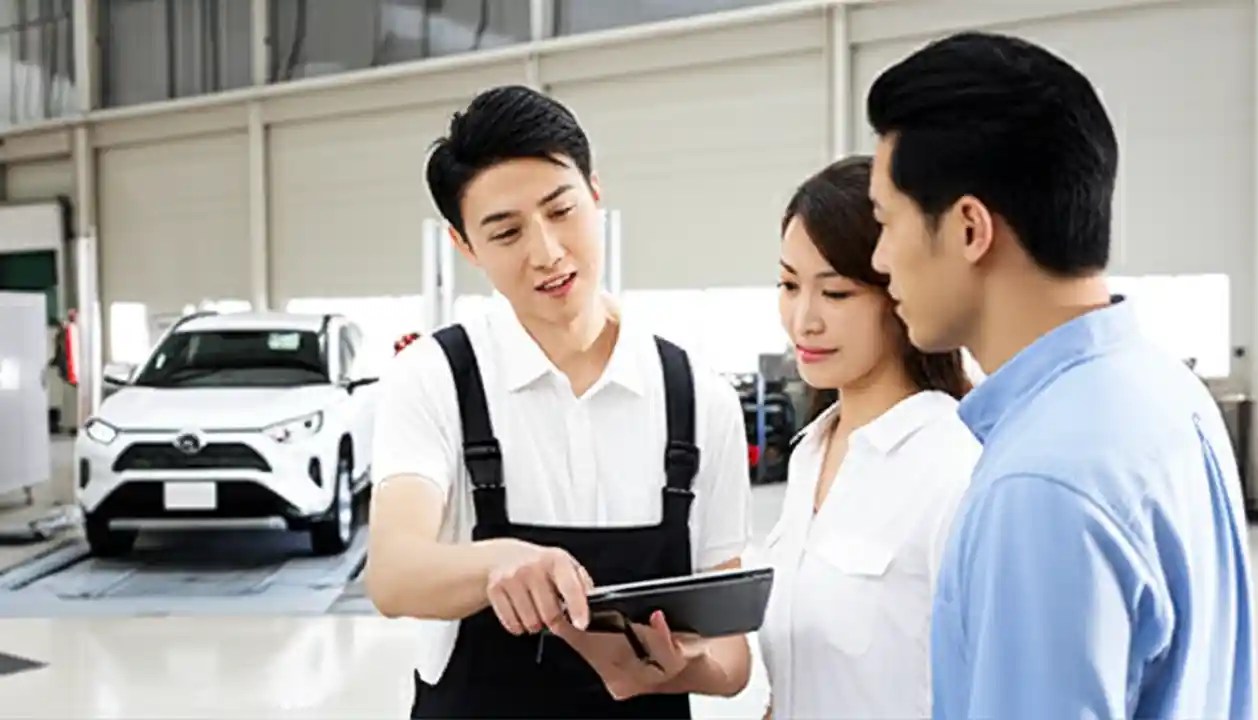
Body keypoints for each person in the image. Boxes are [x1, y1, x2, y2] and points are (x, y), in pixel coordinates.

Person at [865, 32, 1254, 719]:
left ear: (968, 229)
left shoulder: (1040, 484)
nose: (879, 259)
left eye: (885, 221)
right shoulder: (1164, 394)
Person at [365, 84, 753, 719]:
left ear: (595, 193)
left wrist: (682, 671)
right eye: (506, 231)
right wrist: (499, 562)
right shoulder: (434, 377)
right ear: (465, 245)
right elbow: (394, 574)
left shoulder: (697, 397)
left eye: (561, 210)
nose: (545, 252)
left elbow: (733, 655)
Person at [758, 156, 980, 720]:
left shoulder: (954, 467)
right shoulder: (811, 454)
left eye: (835, 294)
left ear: (899, 291)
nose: (802, 319)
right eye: (788, 285)